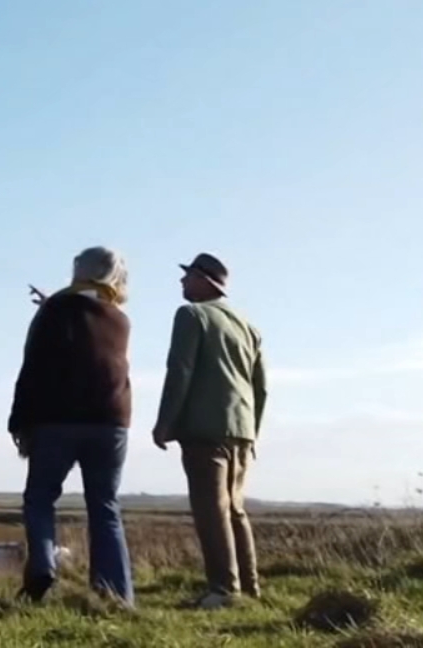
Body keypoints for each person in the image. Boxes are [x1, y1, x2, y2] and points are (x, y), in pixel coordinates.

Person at [7, 246, 135, 606]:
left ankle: (43, 570)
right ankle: (116, 593)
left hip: (56, 420)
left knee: (39, 500)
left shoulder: (54, 310)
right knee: (105, 507)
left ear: (78, 270)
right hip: (111, 423)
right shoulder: (119, 318)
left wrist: (19, 422)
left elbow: (32, 369)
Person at [151, 252, 267, 609]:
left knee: (210, 510)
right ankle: (249, 588)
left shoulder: (191, 315)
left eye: (187, 276)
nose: (182, 282)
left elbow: (180, 370)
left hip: (204, 429)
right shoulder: (248, 326)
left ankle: (222, 590)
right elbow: (260, 387)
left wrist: (164, 423)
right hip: (242, 430)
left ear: (205, 280)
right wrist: (253, 432)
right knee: (235, 510)